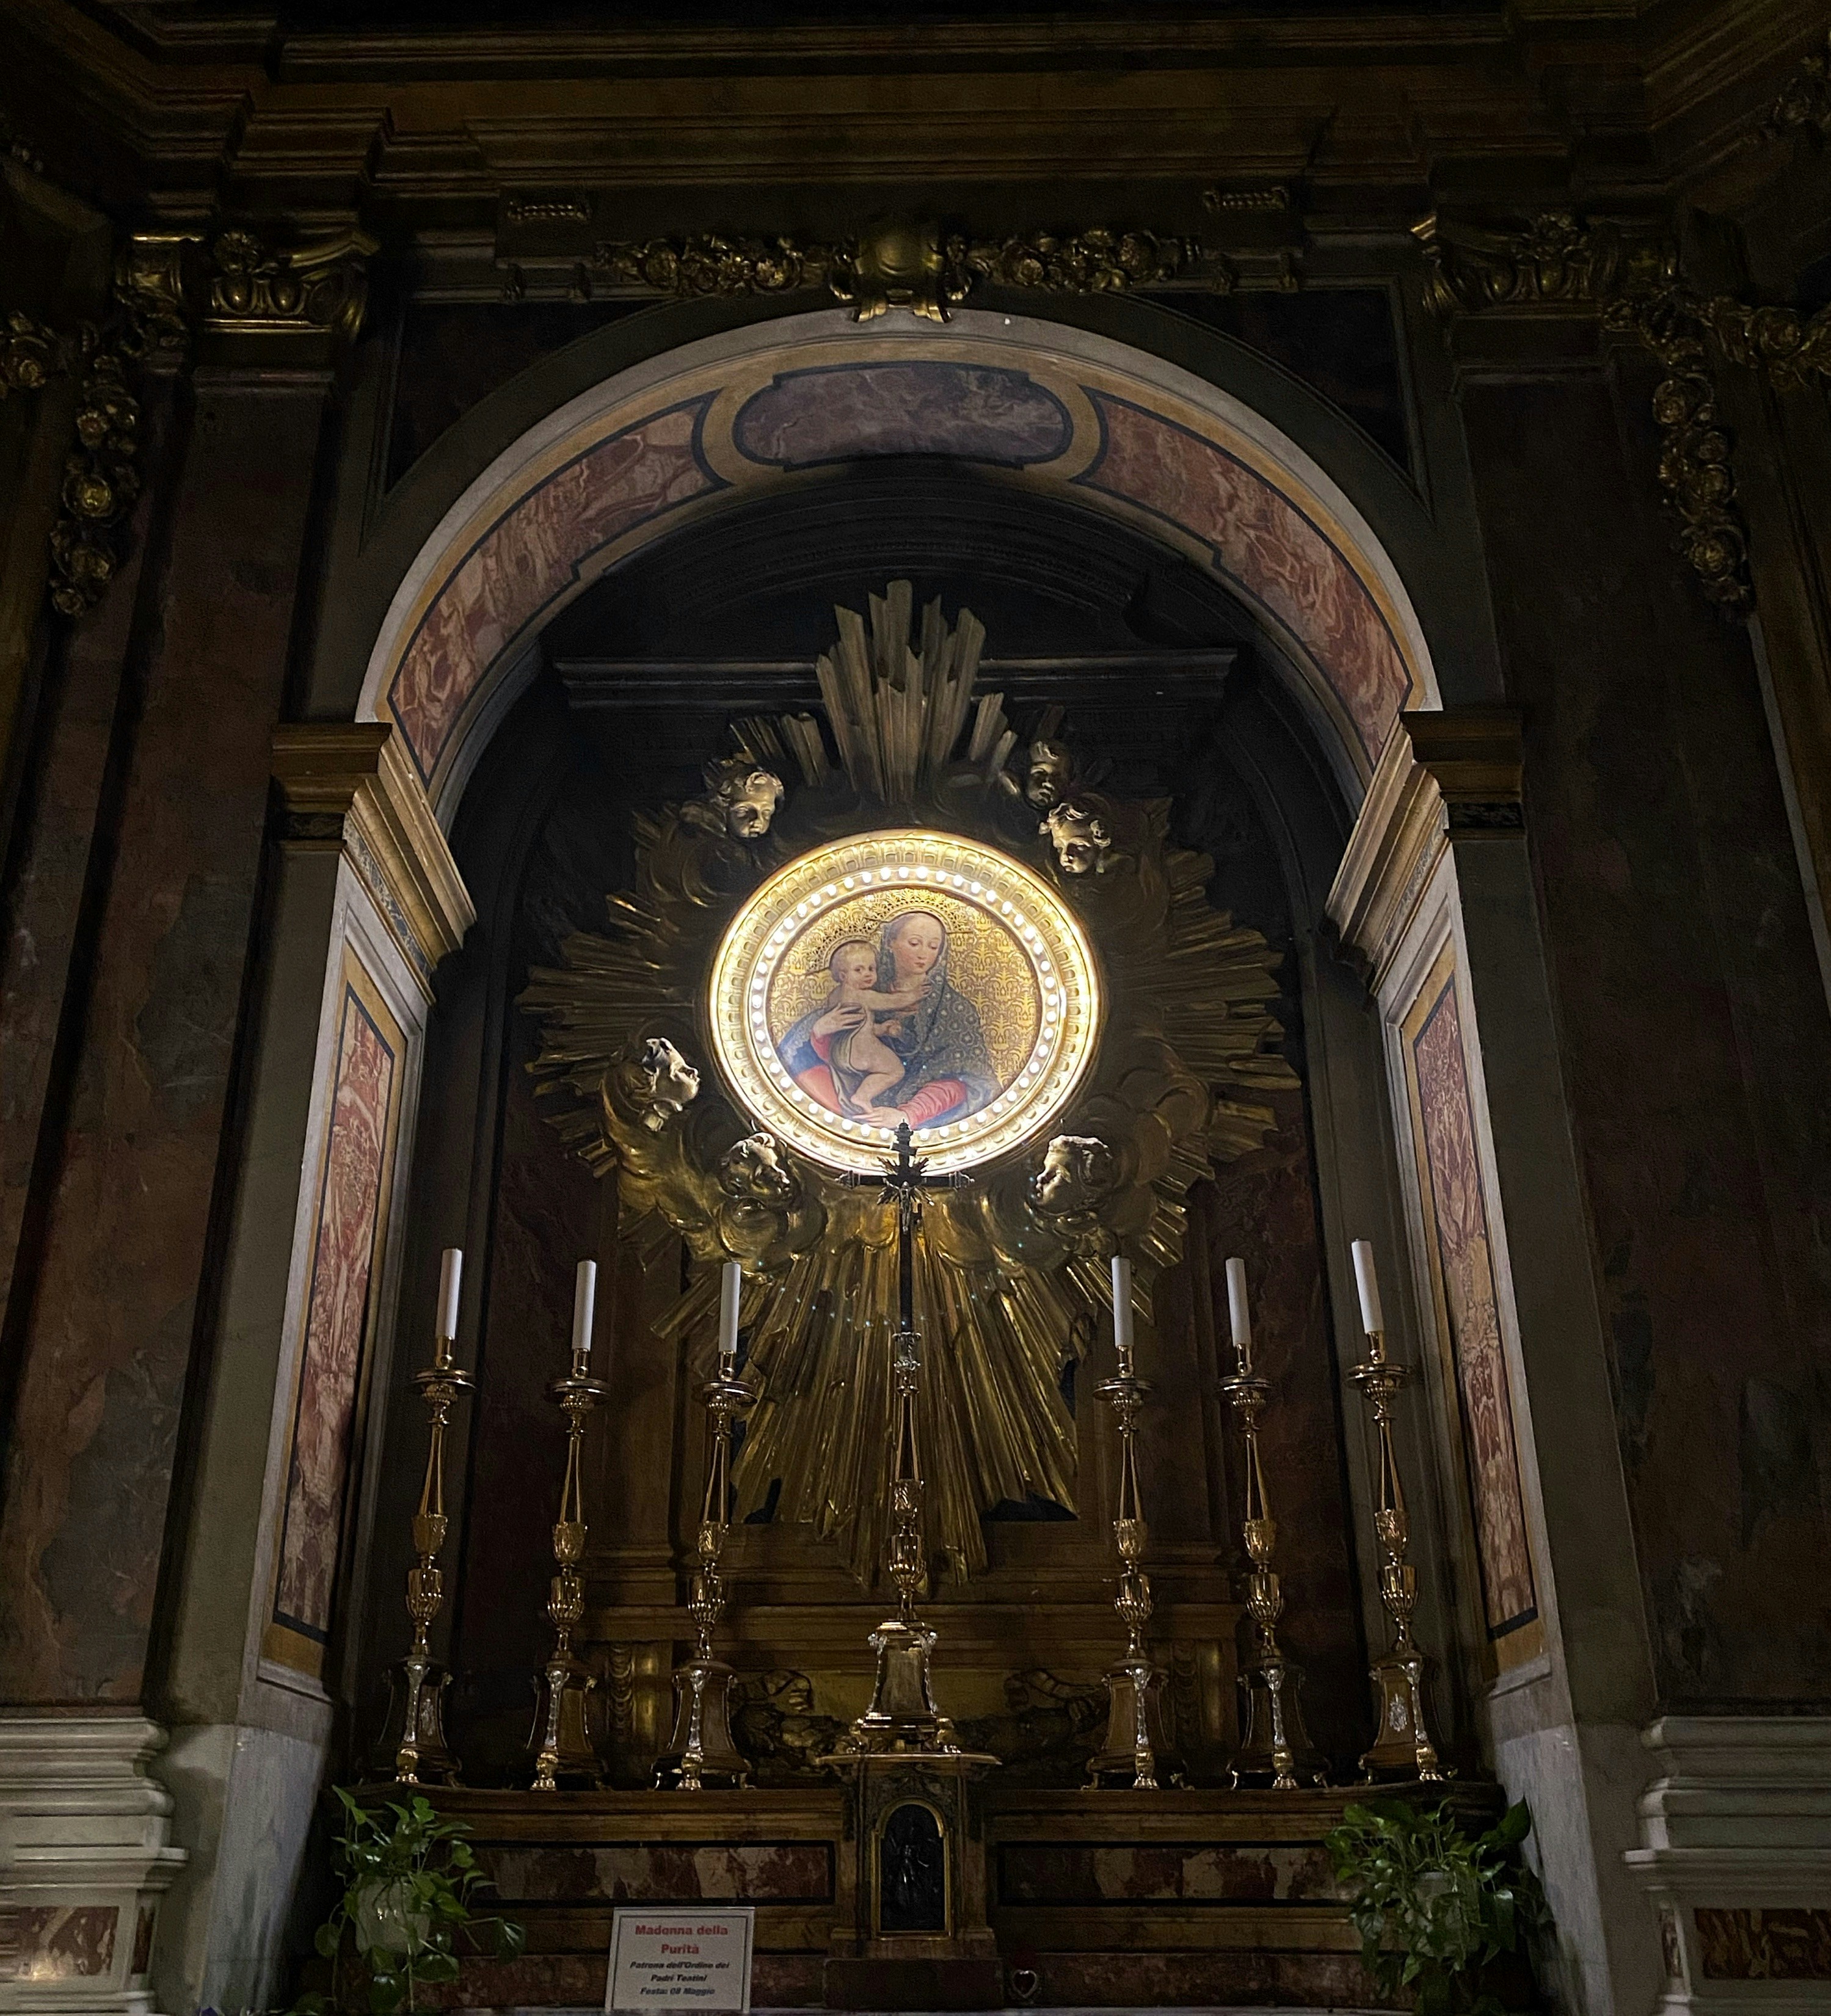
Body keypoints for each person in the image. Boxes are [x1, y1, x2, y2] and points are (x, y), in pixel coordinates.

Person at [777, 909, 1000, 1129]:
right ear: (891, 943)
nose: (924, 954)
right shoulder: (863, 988)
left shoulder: (956, 1009)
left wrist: (908, 1115)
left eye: (933, 947)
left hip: (916, 1120)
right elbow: (797, 1058)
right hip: (844, 1114)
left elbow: (972, 1081)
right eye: (914, 943)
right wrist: (820, 1031)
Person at [818, 939, 927, 1116]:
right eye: (858, 970)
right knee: (895, 1070)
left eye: (871, 969)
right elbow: (892, 1001)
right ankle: (862, 1096)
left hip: (840, 1051)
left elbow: (858, 1024)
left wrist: (882, 1029)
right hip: (861, 1051)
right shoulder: (861, 995)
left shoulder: (836, 995)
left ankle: (861, 1096)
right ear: (844, 976)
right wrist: (915, 994)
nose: (867, 974)